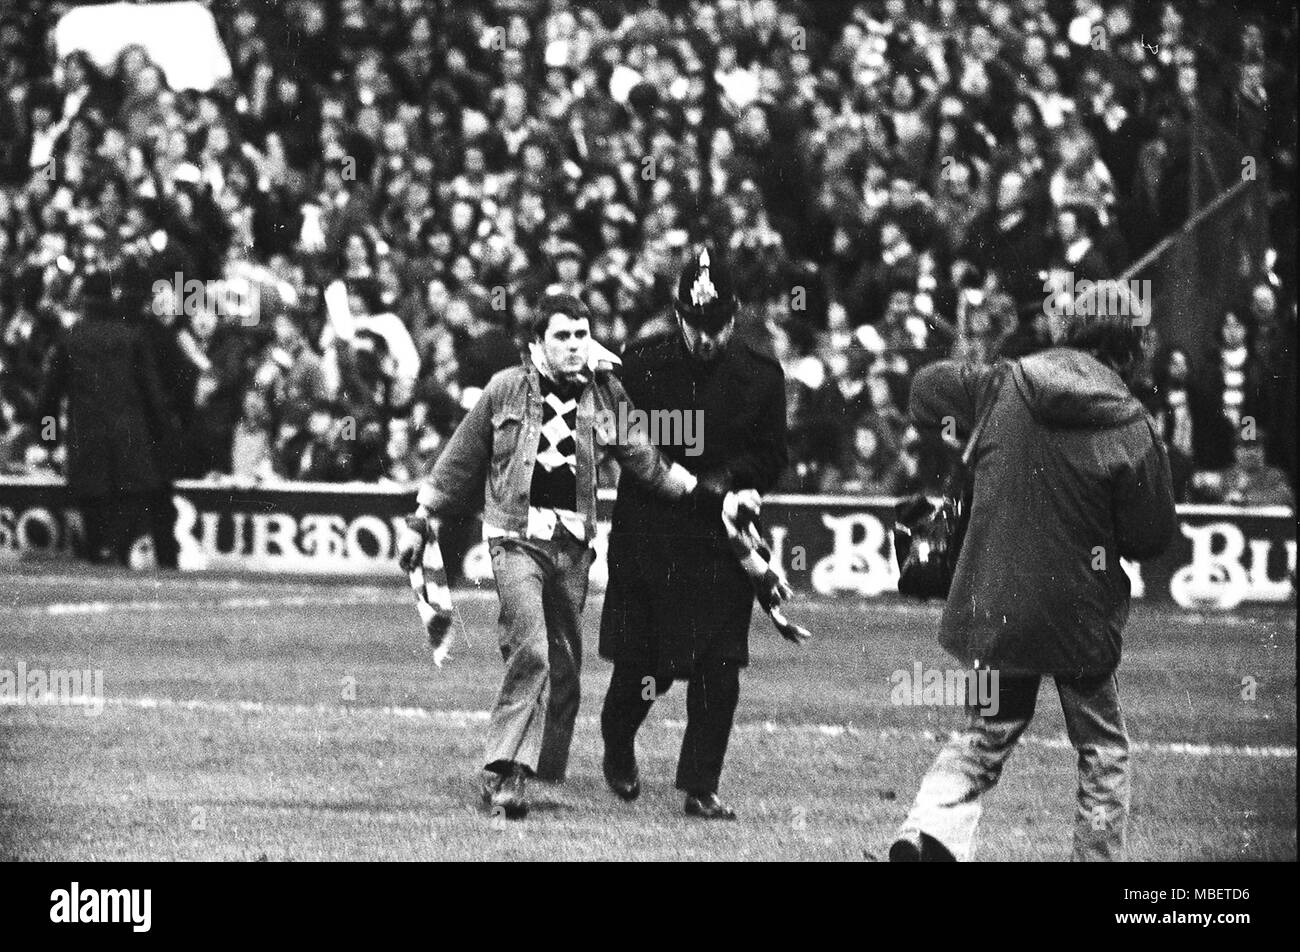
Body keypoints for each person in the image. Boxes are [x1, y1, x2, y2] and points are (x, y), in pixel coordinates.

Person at [397, 292, 728, 820]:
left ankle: (546, 766)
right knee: (530, 650)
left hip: (573, 549)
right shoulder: (505, 389)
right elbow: (459, 459)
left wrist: (706, 497)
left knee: (565, 664)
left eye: (581, 335)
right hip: (515, 541)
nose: (575, 346)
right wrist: (420, 519)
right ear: (537, 344)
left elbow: (644, 458)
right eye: (563, 336)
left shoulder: (608, 394)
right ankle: (503, 773)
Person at [889, 315, 1175, 862]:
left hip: (999, 603)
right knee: (1102, 749)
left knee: (985, 733)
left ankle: (926, 837)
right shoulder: (1131, 423)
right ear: (1127, 354)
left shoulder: (1005, 382)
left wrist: (967, 423)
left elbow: (925, 388)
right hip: (1079, 614)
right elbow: (1148, 538)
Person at [598, 246, 789, 820]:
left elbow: (771, 458)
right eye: (694, 325)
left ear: (733, 317)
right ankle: (618, 744)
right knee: (644, 664)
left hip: (719, 540)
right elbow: (620, 441)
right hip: (650, 536)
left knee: (720, 666)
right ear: (676, 315)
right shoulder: (642, 362)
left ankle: (700, 786)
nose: (705, 338)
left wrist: (723, 482)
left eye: (717, 326)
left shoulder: (761, 376)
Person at [36, 270, 178, 565]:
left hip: (86, 438)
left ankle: (100, 552)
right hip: (130, 439)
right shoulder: (133, 338)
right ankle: (117, 550)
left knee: (94, 512)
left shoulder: (70, 339)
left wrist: (47, 440)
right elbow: (153, 396)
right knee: (126, 509)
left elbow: (49, 400)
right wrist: (162, 438)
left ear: (84, 299)